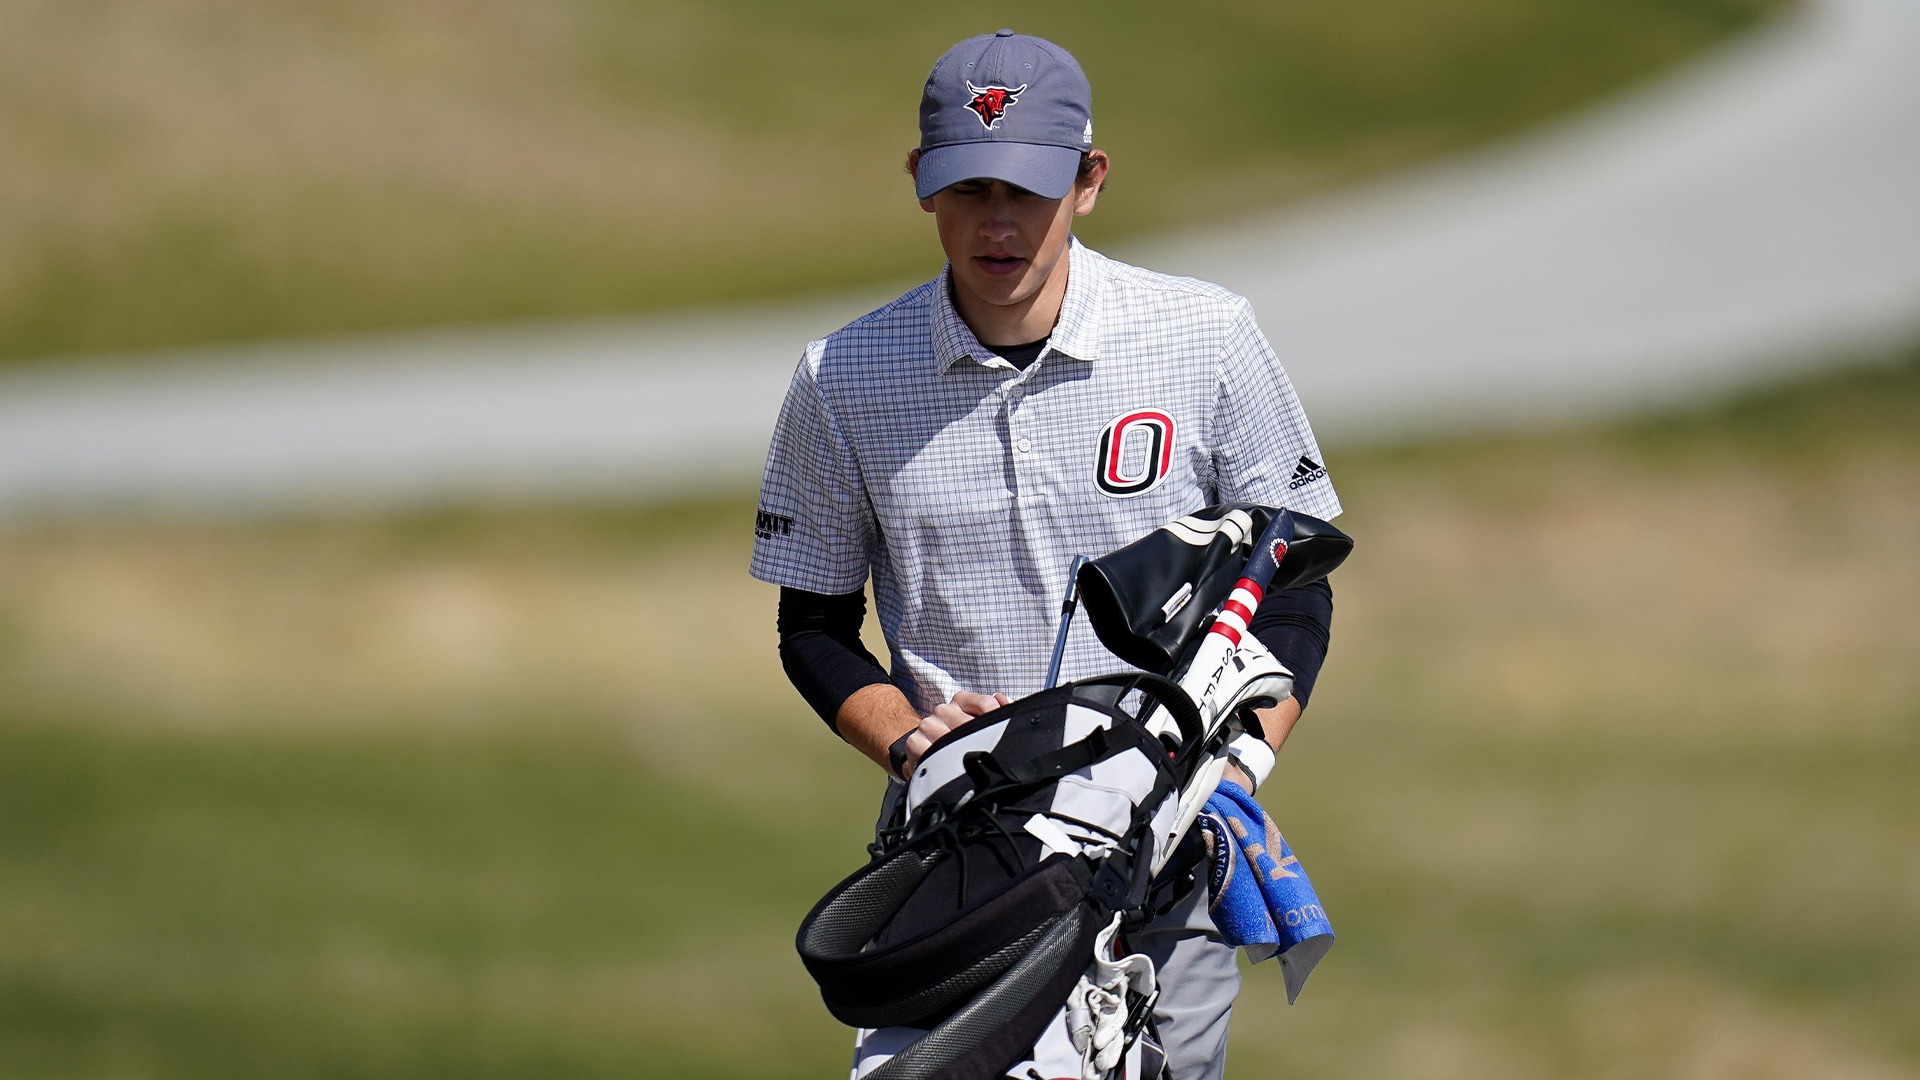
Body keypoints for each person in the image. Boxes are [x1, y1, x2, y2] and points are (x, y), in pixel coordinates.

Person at [749, 29, 1342, 1079]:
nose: (999, 222)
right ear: (920, 184)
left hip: (1169, 847)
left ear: (1089, 180)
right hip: (963, 850)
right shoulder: (842, 375)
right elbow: (815, 627)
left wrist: (1233, 764)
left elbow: (1291, 577)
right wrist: (917, 746)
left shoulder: (1204, 336)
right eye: (968, 189)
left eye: (1027, 189)